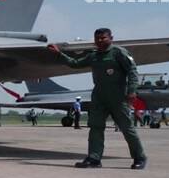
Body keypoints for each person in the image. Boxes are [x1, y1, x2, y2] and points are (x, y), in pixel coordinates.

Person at [48, 28, 147, 169]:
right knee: (95, 127)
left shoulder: (119, 53)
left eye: (103, 38)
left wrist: (132, 91)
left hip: (118, 97)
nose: (100, 41)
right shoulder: (93, 56)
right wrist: (59, 54)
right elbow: (75, 63)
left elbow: (132, 71)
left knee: (127, 128)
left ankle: (139, 158)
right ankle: (94, 158)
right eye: (97, 38)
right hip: (99, 96)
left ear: (111, 38)